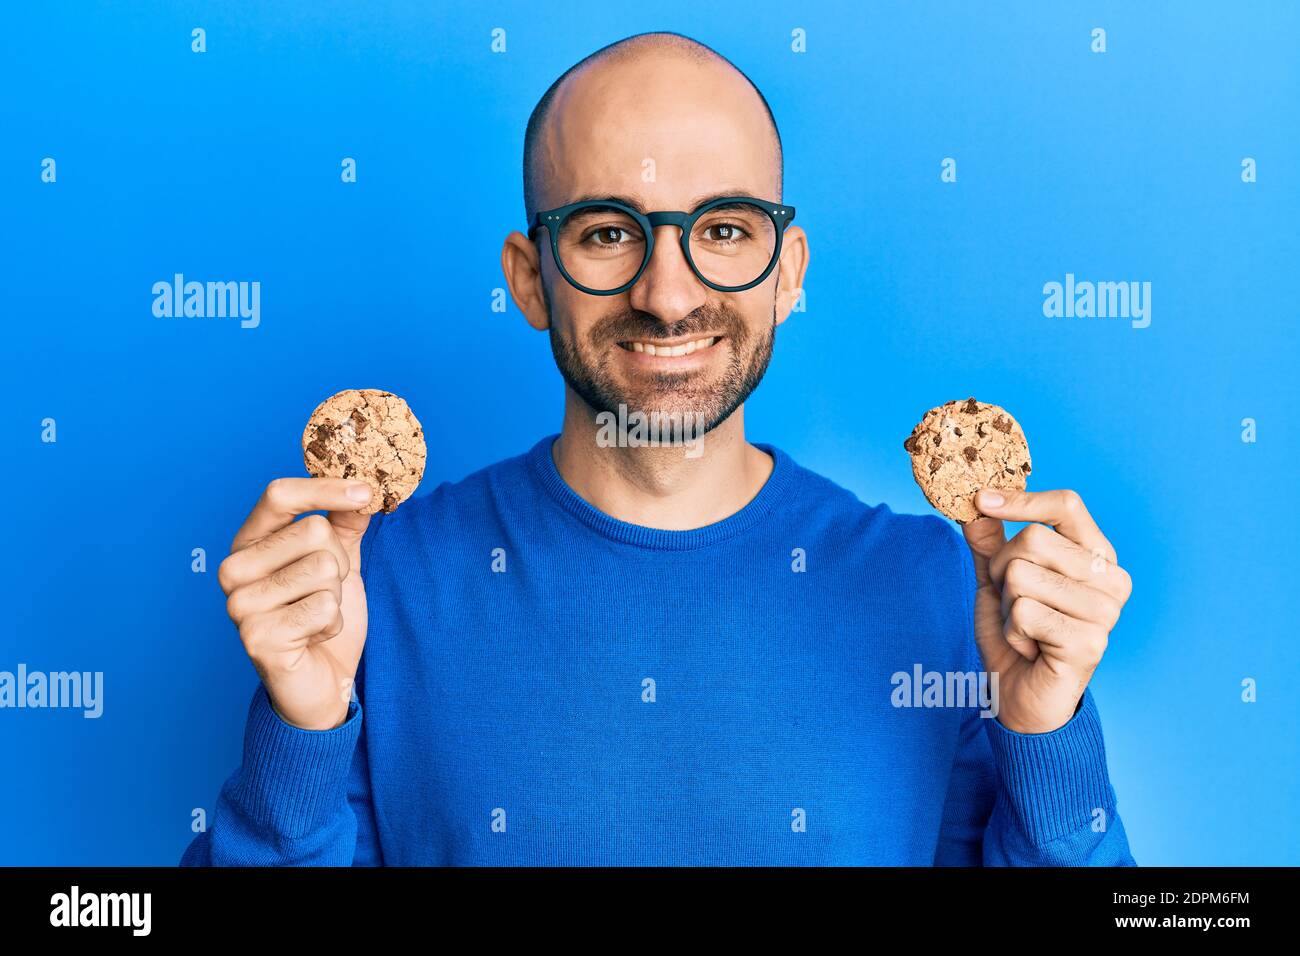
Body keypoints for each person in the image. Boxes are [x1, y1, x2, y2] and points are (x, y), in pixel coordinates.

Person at [183, 31, 1135, 866]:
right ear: (529, 280)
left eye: (723, 230)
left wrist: (1044, 734)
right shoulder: (376, 587)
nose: (669, 294)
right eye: (606, 233)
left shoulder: (941, 591)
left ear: (787, 274)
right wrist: (301, 735)